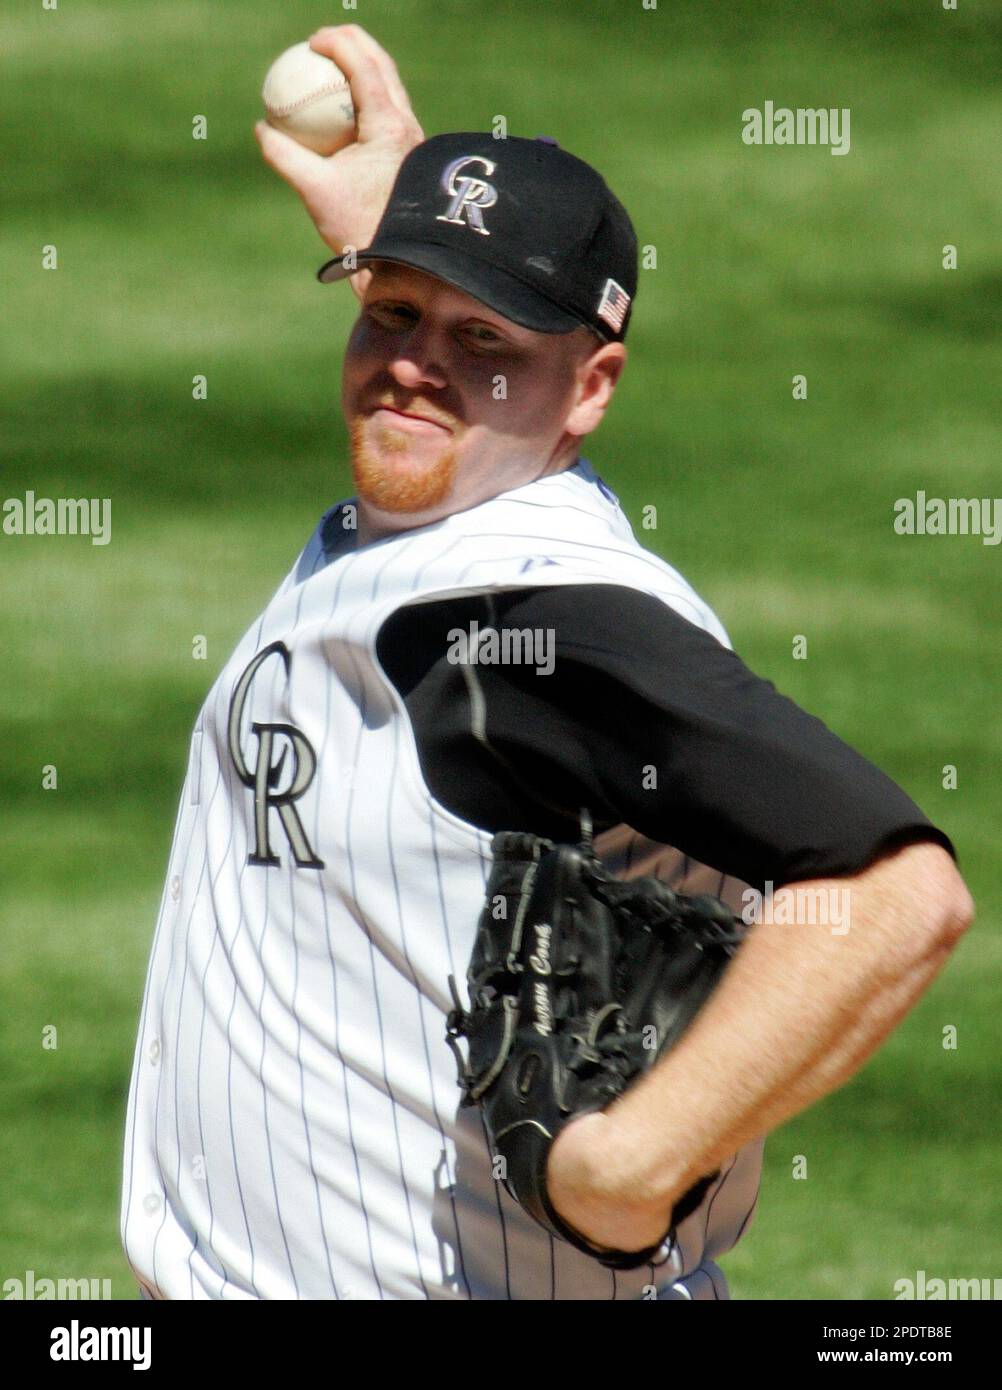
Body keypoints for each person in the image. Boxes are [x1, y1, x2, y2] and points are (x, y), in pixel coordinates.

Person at [120, 25, 973, 1300]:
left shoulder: (529, 616)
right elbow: (448, 376)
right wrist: (421, 222)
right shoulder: (449, 516)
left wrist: (622, 1169)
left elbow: (899, 898)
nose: (413, 363)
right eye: (392, 311)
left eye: (486, 344)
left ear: (590, 389)